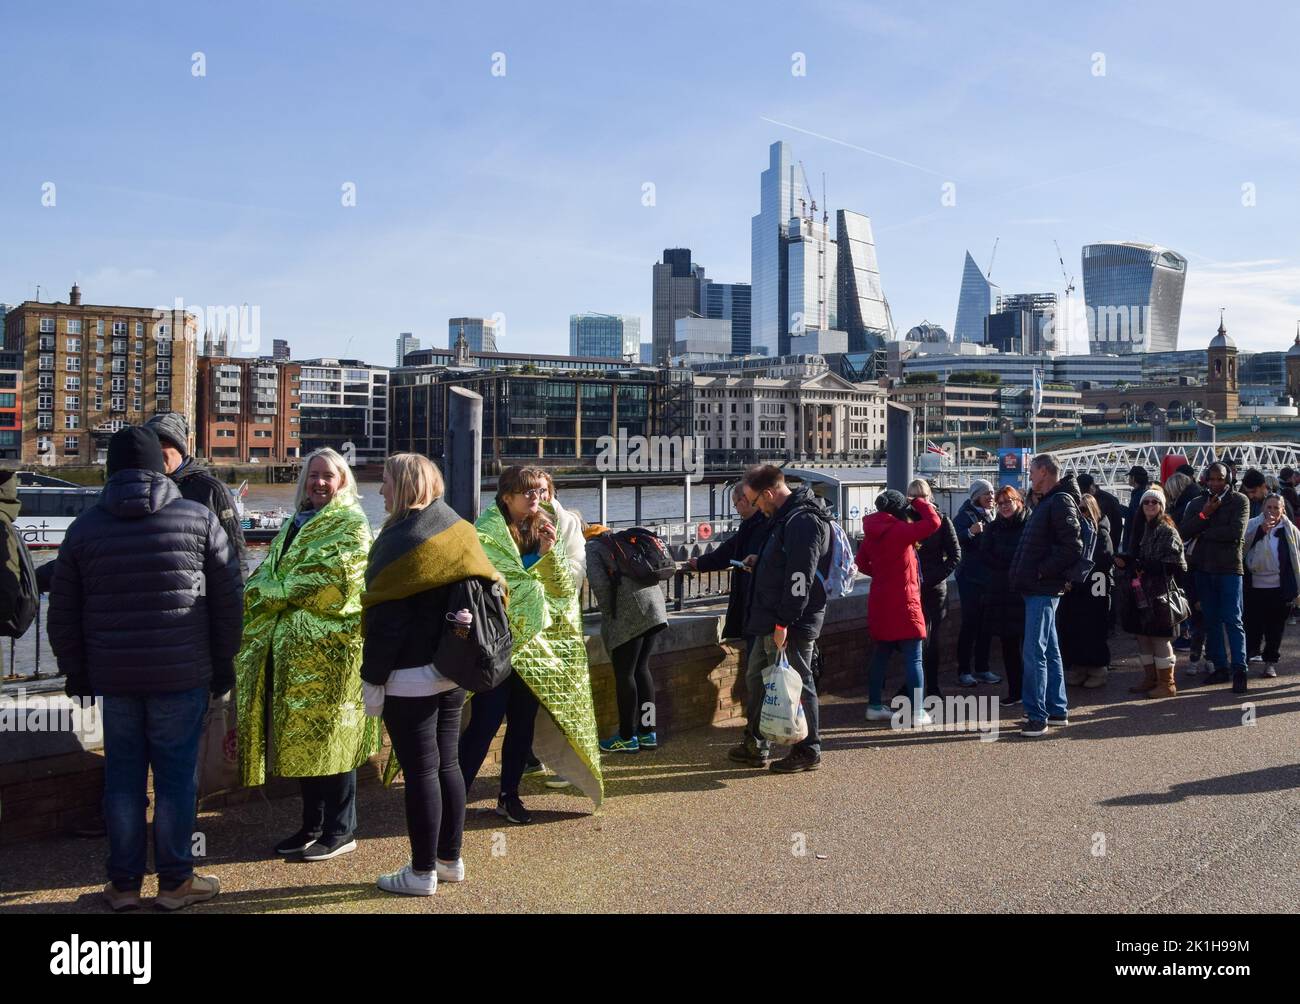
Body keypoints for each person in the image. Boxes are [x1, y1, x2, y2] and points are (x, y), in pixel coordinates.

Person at [48, 426, 243, 911]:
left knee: (123, 779)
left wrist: (77, 672)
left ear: (111, 469)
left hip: (114, 679)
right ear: (161, 465)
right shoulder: (198, 519)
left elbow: (64, 613)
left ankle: (124, 885)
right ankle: (176, 882)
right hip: (182, 675)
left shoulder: (85, 529)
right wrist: (223, 664)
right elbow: (228, 600)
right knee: (176, 779)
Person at [359, 454, 503, 895]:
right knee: (448, 764)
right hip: (453, 667)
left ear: (403, 486)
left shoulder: (401, 539)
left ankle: (421, 872)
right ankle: (449, 859)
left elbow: (387, 622)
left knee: (421, 771)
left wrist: (371, 680)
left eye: (384, 483)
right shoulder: (458, 528)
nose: (380, 491)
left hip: (409, 674)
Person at [236, 447, 379, 861]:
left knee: (336, 737)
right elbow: (266, 571)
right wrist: (265, 588)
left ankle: (342, 829)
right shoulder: (295, 523)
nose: (319, 483)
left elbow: (332, 584)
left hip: (332, 655)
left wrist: (269, 593)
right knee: (302, 741)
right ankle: (311, 825)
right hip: (293, 655)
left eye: (327, 476)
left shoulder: (351, 524)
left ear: (342, 482)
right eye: (313, 475)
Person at [461, 466, 603, 823]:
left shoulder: (557, 525)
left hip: (537, 644)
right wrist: (533, 570)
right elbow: (491, 579)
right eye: (527, 492)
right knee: (485, 720)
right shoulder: (487, 531)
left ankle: (509, 795)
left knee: (522, 722)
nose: (535, 498)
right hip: (498, 642)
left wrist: (547, 551)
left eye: (541, 491)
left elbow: (564, 587)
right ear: (506, 496)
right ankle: (455, 794)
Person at [730, 466, 831, 773]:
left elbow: (800, 577)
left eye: (755, 500)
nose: (755, 507)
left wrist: (783, 623)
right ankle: (756, 743)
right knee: (758, 679)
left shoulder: (803, 521)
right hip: (771, 616)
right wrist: (761, 561)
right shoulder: (785, 518)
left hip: (791, 621)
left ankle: (808, 748)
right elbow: (787, 564)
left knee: (798, 682)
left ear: (769, 493)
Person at [1008, 454, 1084, 737]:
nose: (1028, 476)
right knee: (1048, 649)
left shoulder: (1059, 501)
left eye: (1031, 470)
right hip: (1041, 586)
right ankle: (1056, 709)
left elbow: (1072, 546)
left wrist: (1042, 572)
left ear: (1043, 471)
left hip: (1043, 587)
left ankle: (1037, 716)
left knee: (1034, 651)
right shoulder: (1051, 501)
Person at [857, 488, 941, 725]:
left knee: (880, 655)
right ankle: (917, 712)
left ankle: (874, 706)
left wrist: (883, 575)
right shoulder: (901, 531)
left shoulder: (871, 533)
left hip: (880, 601)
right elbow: (933, 522)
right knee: (914, 658)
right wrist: (918, 501)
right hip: (905, 602)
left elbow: (861, 562)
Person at [585, 522, 668, 753]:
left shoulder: (592, 548)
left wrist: (610, 617)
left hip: (629, 613)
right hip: (655, 609)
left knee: (625, 674)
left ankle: (626, 736)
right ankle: (648, 731)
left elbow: (600, 585)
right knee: (642, 669)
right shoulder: (620, 541)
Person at [145, 412, 250, 578]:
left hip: (199, 589)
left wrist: (238, 596)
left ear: (180, 448)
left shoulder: (211, 490)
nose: (157, 450)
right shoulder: (143, 487)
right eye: (152, 444)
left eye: (164, 443)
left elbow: (235, 549)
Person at [1178, 462, 1250, 693]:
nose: (1216, 483)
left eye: (1221, 479)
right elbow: (1184, 532)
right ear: (1206, 480)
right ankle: (1221, 667)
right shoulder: (1198, 503)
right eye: (1212, 479)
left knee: (1233, 619)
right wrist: (1204, 515)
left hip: (1229, 568)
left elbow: (1235, 532)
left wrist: (1204, 531)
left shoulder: (1239, 501)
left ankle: (1240, 668)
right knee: (1211, 621)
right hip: (1203, 568)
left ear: (1228, 479)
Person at [1118, 487, 1186, 698]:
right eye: (1146, 502)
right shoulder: (1142, 527)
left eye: (1154, 502)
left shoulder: (1167, 530)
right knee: (1142, 636)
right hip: (1141, 590)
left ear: (1161, 506)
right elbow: (1137, 556)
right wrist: (1127, 561)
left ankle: (1167, 683)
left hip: (1159, 592)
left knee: (1159, 638)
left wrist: (1144, 564)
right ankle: (1150, 678)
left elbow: (1176, 564)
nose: (1149, 505)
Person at [690, 483, 767, 645]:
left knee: (759, 663)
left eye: (735, 504)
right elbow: (727, 552)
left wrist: (700, 563)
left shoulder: (761, 525)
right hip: (754, 608)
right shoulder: (752, 524)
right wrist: (701, 563)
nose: (736, 510)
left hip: (760, 607)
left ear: (744, 500)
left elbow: (727, 553)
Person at [907, 478, 960, 701]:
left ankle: (931, 685)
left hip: (933, 589)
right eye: (914, 497)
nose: (919, 502)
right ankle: (918, 685)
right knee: (915, 640)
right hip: (916, 588)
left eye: (922, 497)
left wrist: (933, 577)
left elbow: (955, 555)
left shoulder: (942, 521)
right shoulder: (906, 522)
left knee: (931, 639)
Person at [1242, 493, 1300, 679]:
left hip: (1280, 588)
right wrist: (1260, 532)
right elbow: (1241, 548)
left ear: (1283, 510)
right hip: (1254, 586)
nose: (1272, 511)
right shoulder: (1251, 525)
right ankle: (1251, 654)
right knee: (1253, 626)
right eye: (1269, 507)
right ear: (1262, 508)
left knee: (1275, 628)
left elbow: (1296, 558)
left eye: (1276, 508)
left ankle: (1270, 662)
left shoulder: (1290, 531)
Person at [1059, 493, 1114, 689]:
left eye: (1084, 509)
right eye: (1077, 510)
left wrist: (1077, 578)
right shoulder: (1074, 534)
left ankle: (1098, 669)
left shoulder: (1101, 534)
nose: (1081, 514)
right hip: (1074, 590)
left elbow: (1103, 561)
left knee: (1093, 630)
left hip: (1094, 590)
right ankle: (1079, 667)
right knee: (1073, 629)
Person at [984, 486, 1029, 705]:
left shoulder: (1030, 525)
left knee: (1029, 646)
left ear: (1019, 501)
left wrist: (1007, 563)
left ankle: (1032, 691)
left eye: (1007, 502)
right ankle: (1015, 690)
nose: (1003, 507)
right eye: (1000, 503)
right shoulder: (993, 529)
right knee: (1008, 645)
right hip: (1001, 592)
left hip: (1024, 592)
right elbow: (985, 555)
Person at [953, 479, 998, 686]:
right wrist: (971, 532)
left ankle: (983, 668)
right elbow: (954, 540)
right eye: (986, 493)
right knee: (970, 623)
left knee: (987, 624)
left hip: (988, 577)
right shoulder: (964, 515)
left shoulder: (993, 515)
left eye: (992, 492)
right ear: (976, 496)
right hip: (970, 577)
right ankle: (964, 670)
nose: (991, 496)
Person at [1077, 473, 1125, 558]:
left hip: (1104, 548)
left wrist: (1112, 552)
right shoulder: (1109, 499)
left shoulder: (1107, 502)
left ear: (1091, 487)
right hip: (1100, 547)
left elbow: (1115, 528)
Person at [1121, 465, 1151, 558]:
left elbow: (1133, 515)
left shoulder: (1138, 495)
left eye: (1129, 477)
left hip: (1133, 539)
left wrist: (1117, 506)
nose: (1128, 479)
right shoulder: (1143, 493)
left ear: (1133, 478)